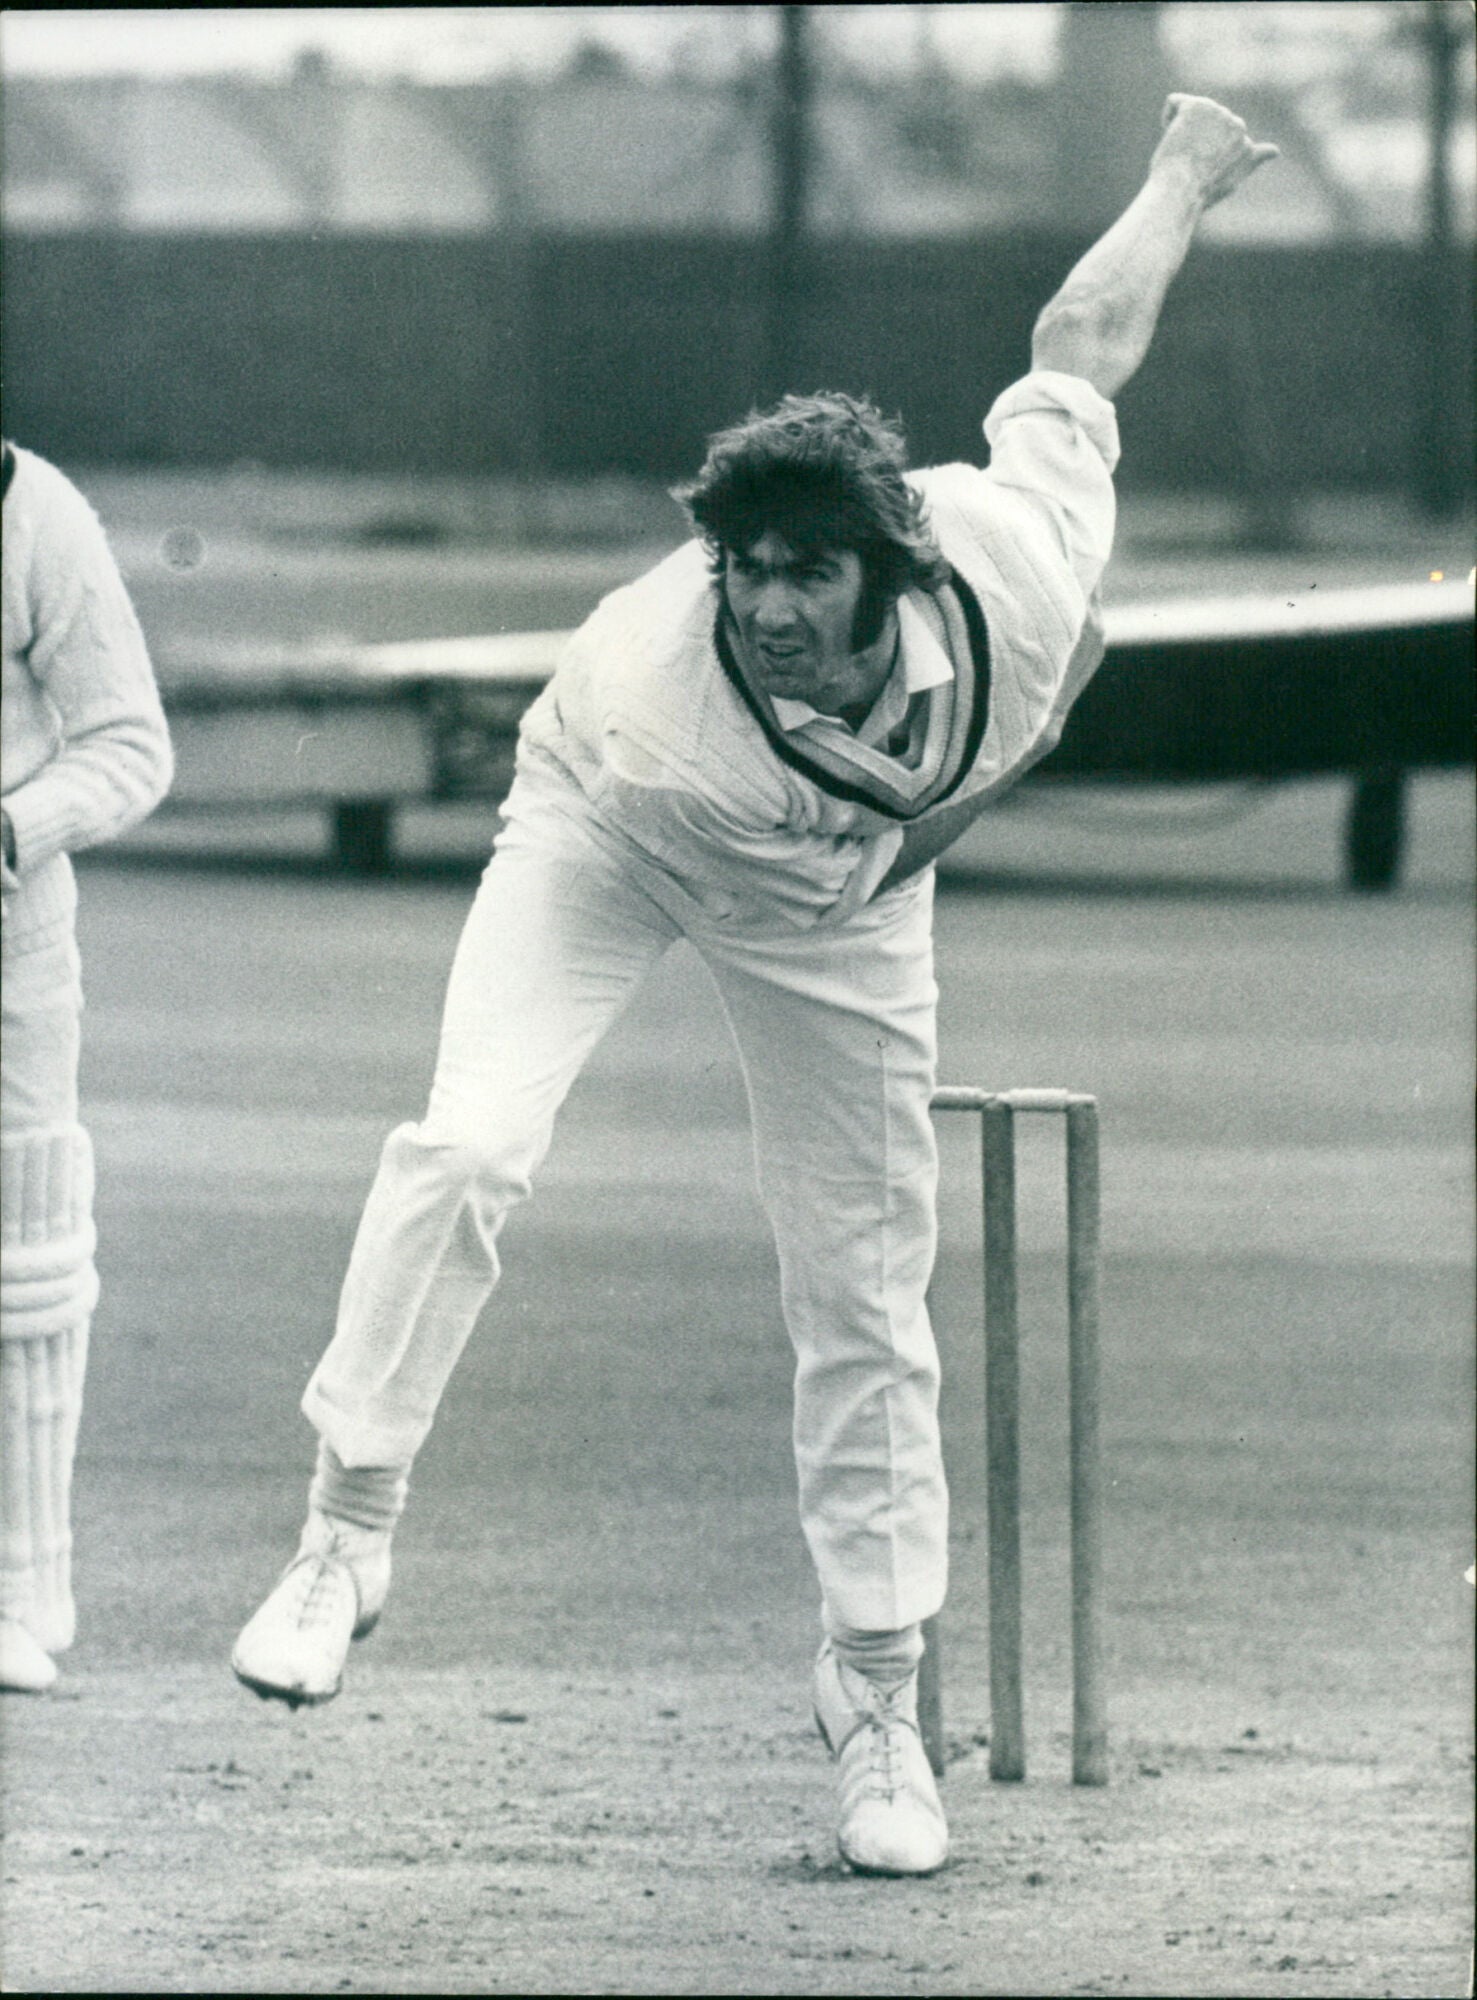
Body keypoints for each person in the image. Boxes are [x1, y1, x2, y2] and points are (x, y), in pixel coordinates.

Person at [232, 97, 1276, 1874]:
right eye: (748, 568)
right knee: (472, 1147)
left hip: (837, 907)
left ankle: (877, 1698)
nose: (771, 603)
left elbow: (1076, 351)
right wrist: (900, 831)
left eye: (807, 571)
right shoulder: (661, 693)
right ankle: (347, 1528)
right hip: (610, 831)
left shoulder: (1016, 563)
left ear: (896, 568)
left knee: (864, 1286)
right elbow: (805, 810)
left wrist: (1178, 170)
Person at [1, 441, 174, 1693]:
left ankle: (19, 1585)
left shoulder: (32, 507)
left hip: (8, 938)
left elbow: (128, 745)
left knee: (22, 1257)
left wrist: (13, 827)